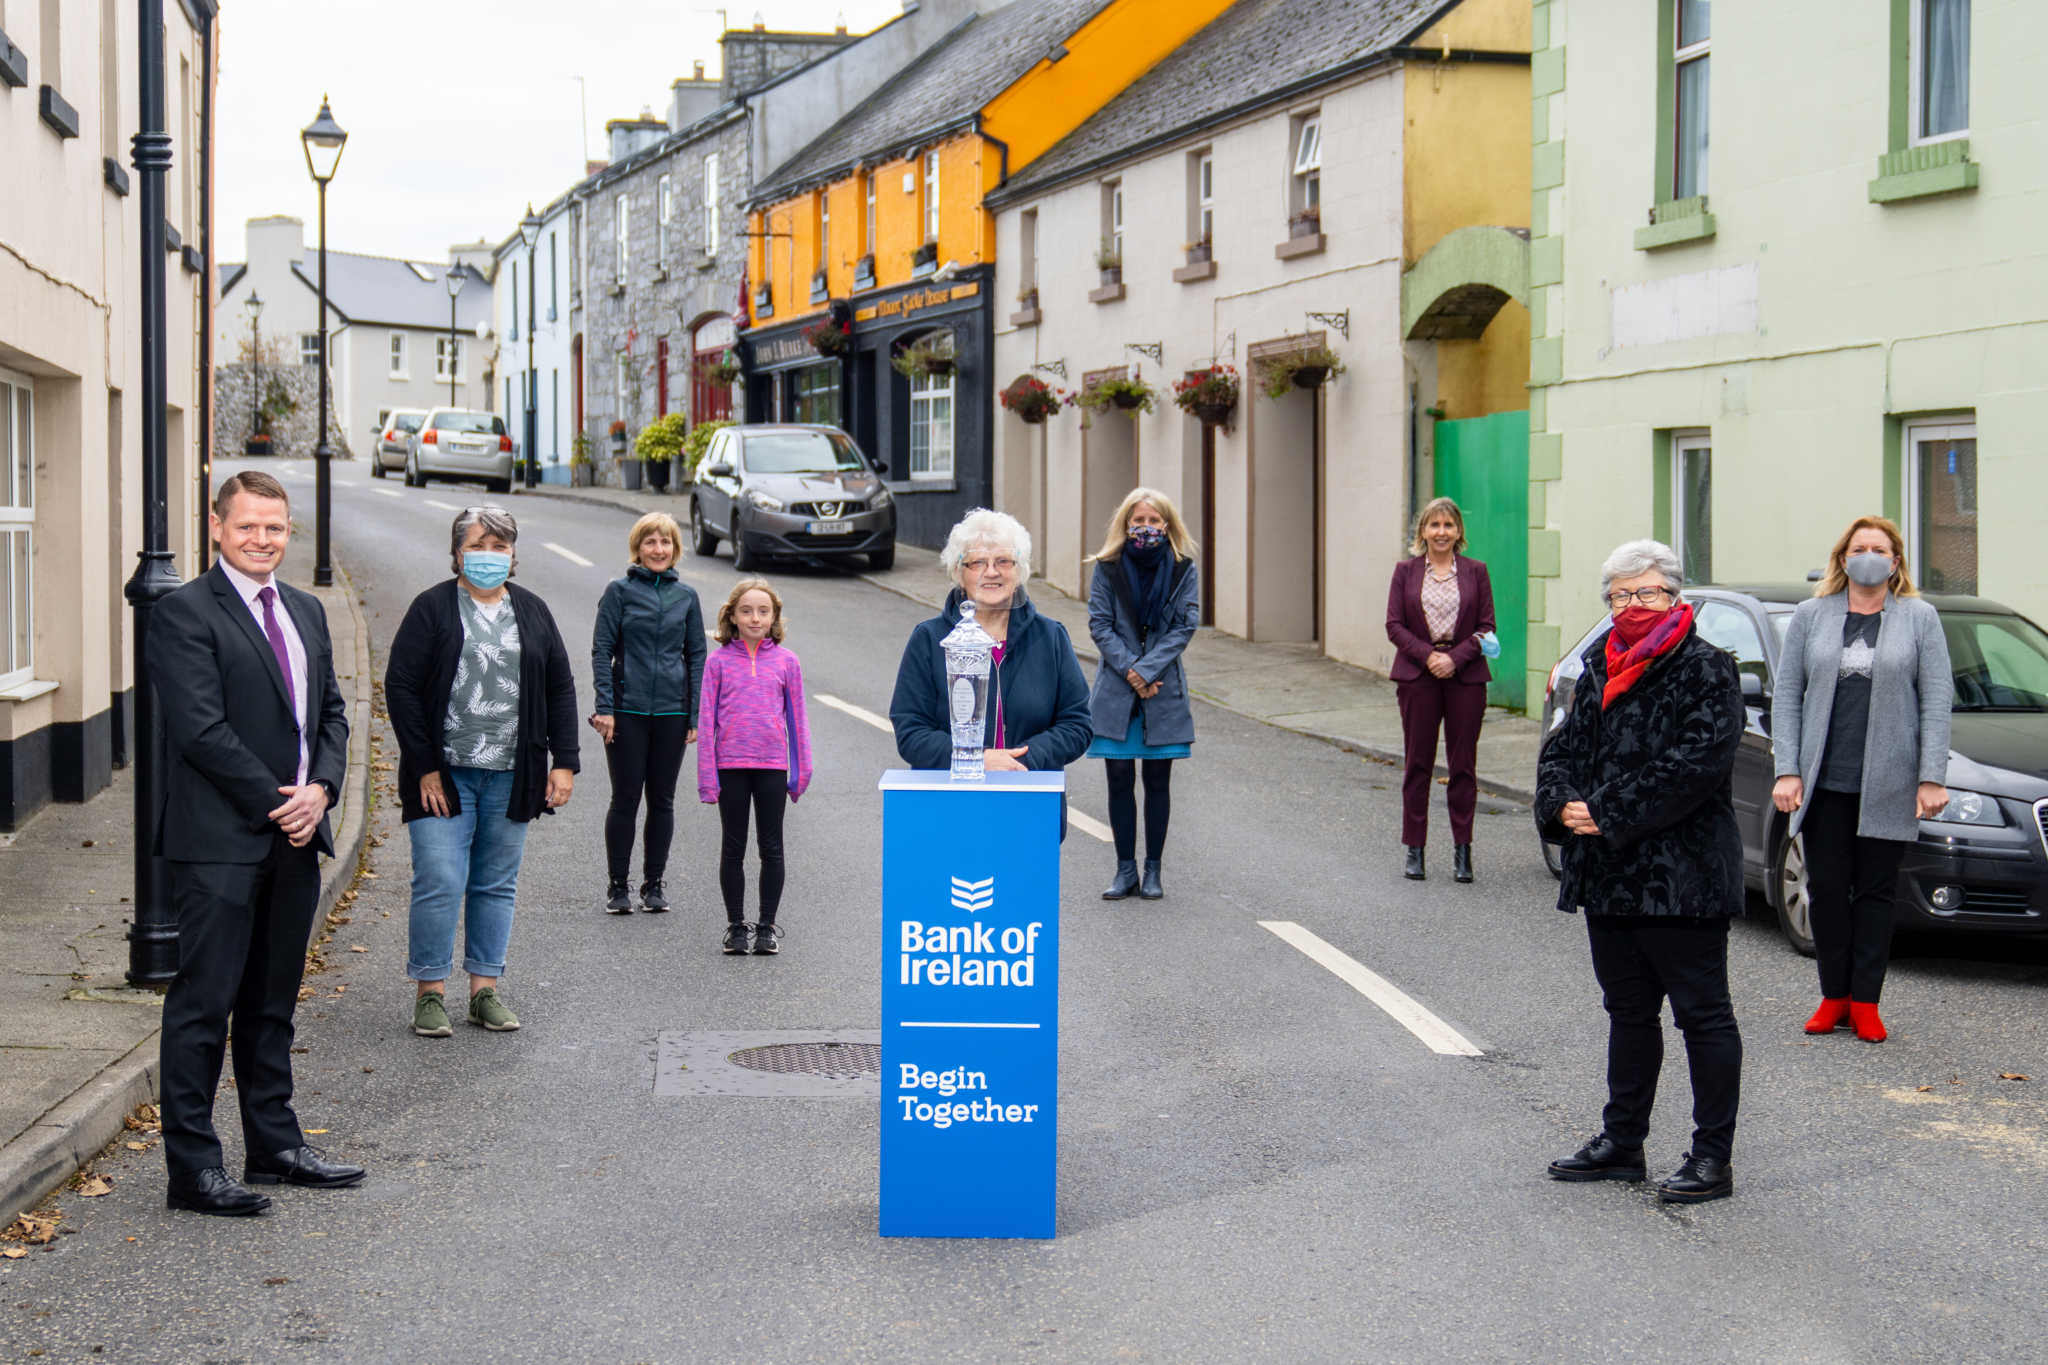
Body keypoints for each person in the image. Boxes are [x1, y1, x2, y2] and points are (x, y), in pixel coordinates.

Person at [146, 471, 363, 1215]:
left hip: (296, 836)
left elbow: (332, 712)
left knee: (272, 1003)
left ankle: (273, 1144)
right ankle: (194, 1168)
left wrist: (324, 788)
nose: (263, 539)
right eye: (247, 527)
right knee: (204, 1005)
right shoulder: (183, 613)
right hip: (220, 842)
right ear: (217, 527)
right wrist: (284, 803)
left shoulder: (304, 609)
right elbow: (201, 731)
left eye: (275, 527)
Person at [1535, 539, 1745, 1205]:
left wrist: (1609, 809)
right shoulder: (1598, 661)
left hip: (1682, 875)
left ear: (1674, 596)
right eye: (1620, 595)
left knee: (1702, 1016)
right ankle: (1622, 1141)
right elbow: (1562, 746)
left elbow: (1698, 762)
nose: (1633, 606)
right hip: (1610, 875)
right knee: (1627, 1010)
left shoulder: (1708, 668)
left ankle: (1712, 1156)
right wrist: (1562, 801)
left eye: (1646, 593)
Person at [384, 506, 580, 1038]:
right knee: (440, 880)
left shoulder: (533, 611)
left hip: (511, 774)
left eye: (500, 546)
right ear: (456, 552)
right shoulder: (432, 609)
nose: (489, 556)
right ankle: (429, 993)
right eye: (479, 545)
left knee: (495, 884)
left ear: (513, 555)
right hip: (444, 775)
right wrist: (423, 766)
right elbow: (400, 687)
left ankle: (483, 991)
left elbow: (560, 687)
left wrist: (564, 762)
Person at [1771, 516, 1951, 1045]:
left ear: (1894, 563)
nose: (1868, 555)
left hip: (1890, 782)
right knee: (1826, 891)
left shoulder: (1920, 618)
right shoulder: (1811, 615)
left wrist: (1930, 777)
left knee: (1875, 893)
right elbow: (1786, 695)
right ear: (1842, 558)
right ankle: (1834, 997)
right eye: (1859, 547)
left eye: (1879, 548)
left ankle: (1867, 1002)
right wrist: (1788, 768)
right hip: (1825, 781)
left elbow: (1937, 700)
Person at [890, 509, 1093, 788]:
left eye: (1003, 561)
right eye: (978, 563)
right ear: (959, 573)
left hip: (1030, 797)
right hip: (950, 801)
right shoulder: (929, 639)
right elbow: (910, 731)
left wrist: (1022, 760)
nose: (992, 572)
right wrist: (977, 760)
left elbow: (1077, 724)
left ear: (1019, 570)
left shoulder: (1050, 636)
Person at [1084, 488, 1200, 901]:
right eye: (1139, 521)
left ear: (1166, 524)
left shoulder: (1184, 569)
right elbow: (1099, 625)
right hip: (1118, 688)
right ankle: (1124, 870)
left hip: (1162, 688)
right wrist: (1133, 671)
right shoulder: (1106, 567)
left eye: (1154, 521)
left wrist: (1147, 671)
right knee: (1118, 778)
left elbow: (1186, 626)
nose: (1146, 528)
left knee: (1157, 780)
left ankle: (1153, 871)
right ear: (1126, 524)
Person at [591, 512, 707, 915]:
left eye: (666, 543)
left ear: (675, 550)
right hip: (627, 712)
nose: (658, 550)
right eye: (650, 542)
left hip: (672, 714)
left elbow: (696, 656)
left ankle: (653, 885)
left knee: (663, 800)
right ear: (637, 548)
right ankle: (618, 886)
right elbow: (601, 650)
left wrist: (694, 715)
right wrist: (604, 708)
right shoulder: (618, 592)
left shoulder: (686, 597)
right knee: (625, 798)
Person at [697, 579, 813, 955]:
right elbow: (706, 721)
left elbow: (798, 722)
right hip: (730, 765)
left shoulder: (787, 661)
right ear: (731, 615)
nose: (754, 617)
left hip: (772, 767)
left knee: (772, 847)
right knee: (732, 848)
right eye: (746, 610)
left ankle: (765, 926)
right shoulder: (717, 662)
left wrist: (801, 772)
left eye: (763, 611)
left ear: (774, 616)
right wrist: (707, 778)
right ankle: (736, 926)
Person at [1385, 496, 1495, 883]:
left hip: (1465, 677)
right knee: (1418, 764)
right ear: (1423, 532)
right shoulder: (1405, 572)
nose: (1442, 532)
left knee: (1463, 766)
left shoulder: (1476, 572)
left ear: (1459, 531)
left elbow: (1486, 625)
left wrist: (1454, 658)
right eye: (1434, 525)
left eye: (1449, 525)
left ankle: (1462, 852)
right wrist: (1429, 656)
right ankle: (1415, 850)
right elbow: (1394, 625)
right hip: (1418, 677)